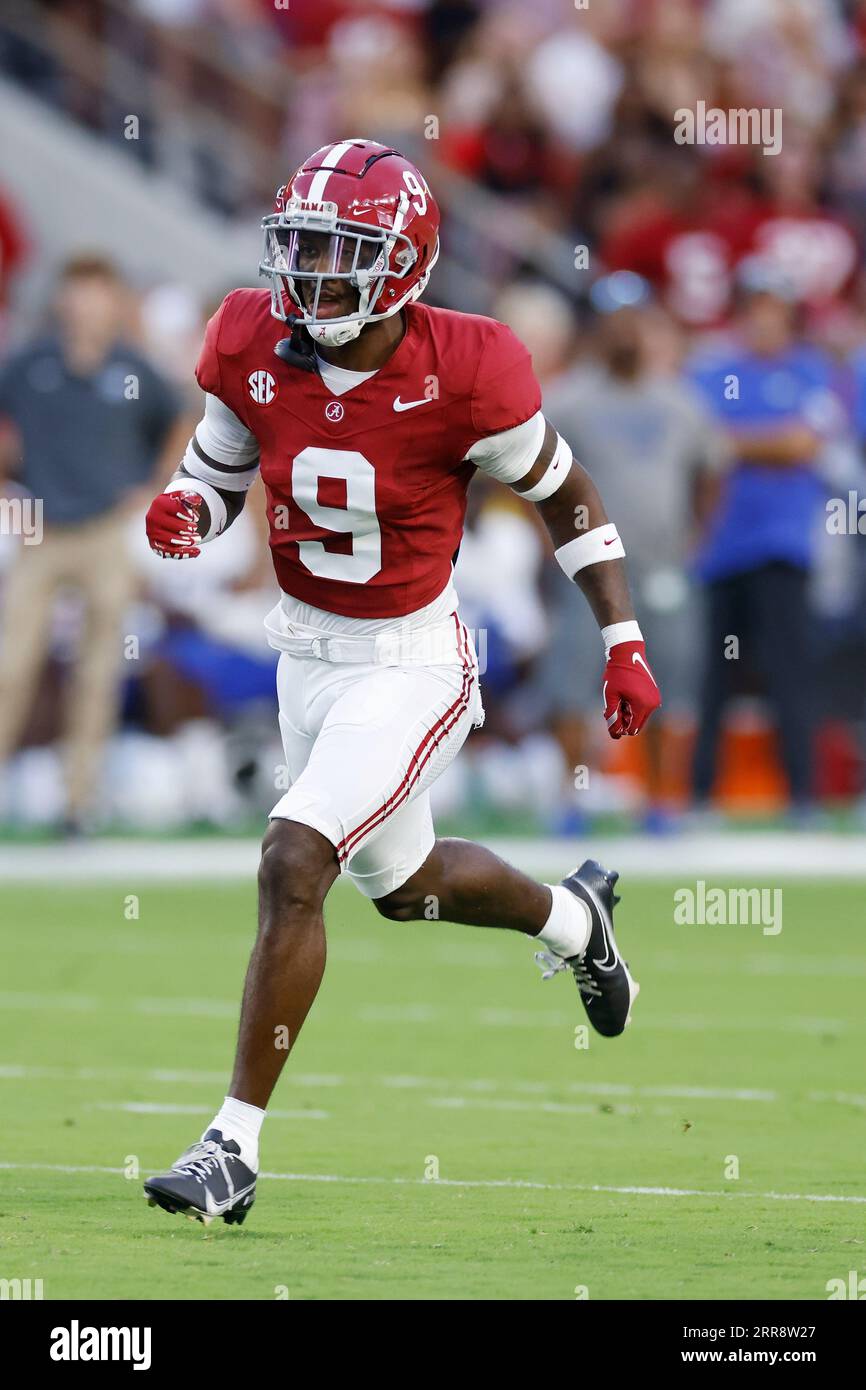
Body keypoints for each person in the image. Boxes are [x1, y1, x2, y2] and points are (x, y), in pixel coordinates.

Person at [141, 140, 661, 1226]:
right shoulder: (247, 336)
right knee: (405, 885)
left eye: (340, 252)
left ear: (404, 263)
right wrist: (192, 510)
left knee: (294, 858)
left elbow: (563, 496)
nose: (311, 273)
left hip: (412, 657)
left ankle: (230, 1147)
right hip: (306, 653)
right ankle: (574, 922)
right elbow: (222, 462)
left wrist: (619, 635)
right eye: (303, 246)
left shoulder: (467, 366)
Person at [0, 255, 182, 831]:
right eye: (77, 293)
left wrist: (154, 484)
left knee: (98, 670)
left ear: (114, 301)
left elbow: (180, 416)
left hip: (105, 528)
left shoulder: (133, 368)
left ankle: (78, 803)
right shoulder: (30, 365)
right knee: (11, 664)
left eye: (96, 294)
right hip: (40, 525)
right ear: (61, 300)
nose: (84, 306)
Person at [538, 273, 724, 831]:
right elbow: (527, 474)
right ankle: (574, 802)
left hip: (661, 564)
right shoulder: (570, 398)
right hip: (586, 566)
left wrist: (695, 537)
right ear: (597, 328)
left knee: (667, 677)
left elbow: (711, 471)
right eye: (611, 318)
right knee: (573, 677)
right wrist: (549, 541)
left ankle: (660, 802)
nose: (622, 330)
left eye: (632, 317)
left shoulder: (679, 398)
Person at [688, 259, 840, 816]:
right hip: (723, 547)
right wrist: (767, 442)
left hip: (783, 549)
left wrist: (738, 445)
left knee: (789, 674)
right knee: (714, 680)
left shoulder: (810, 369)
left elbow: (805, 444)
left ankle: (804, 797)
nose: (763, 318)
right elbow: (702, 444)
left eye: (773, 307)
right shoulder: (714, 369)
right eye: (755, 306)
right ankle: (700, 796)